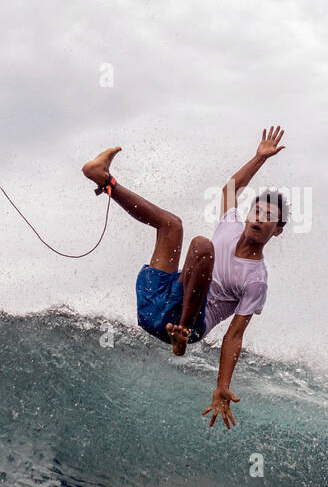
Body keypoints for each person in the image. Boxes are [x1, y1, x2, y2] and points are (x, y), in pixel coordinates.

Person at [82, 127, 287, 429]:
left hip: (186, 324)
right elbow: (230, 189)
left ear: (277, 230)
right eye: (257, 211)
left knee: (202, 246)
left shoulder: (256, 279)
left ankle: (182, 333)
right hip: (157, 302)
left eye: (269, 217)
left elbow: (234, 336)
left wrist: (221, 386)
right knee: (172, 226)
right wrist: (259, 158)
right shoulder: (230, 224)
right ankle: (104, 179)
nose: (260, 218)